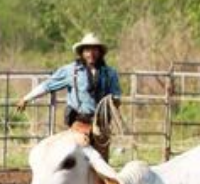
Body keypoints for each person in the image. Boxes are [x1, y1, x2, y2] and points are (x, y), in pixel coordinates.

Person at [16, 33, 122, 161]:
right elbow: (48, 85)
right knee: (78, 160)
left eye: (95, 49)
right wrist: (27, 98)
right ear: (82, 52)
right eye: (87, 50)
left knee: (101, 162)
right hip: (80, 123)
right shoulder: (71, 71)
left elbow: (116, 96)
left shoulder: (110, 73)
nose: (91, 53)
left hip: (101, 125)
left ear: (100, 52)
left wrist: (114, 101)